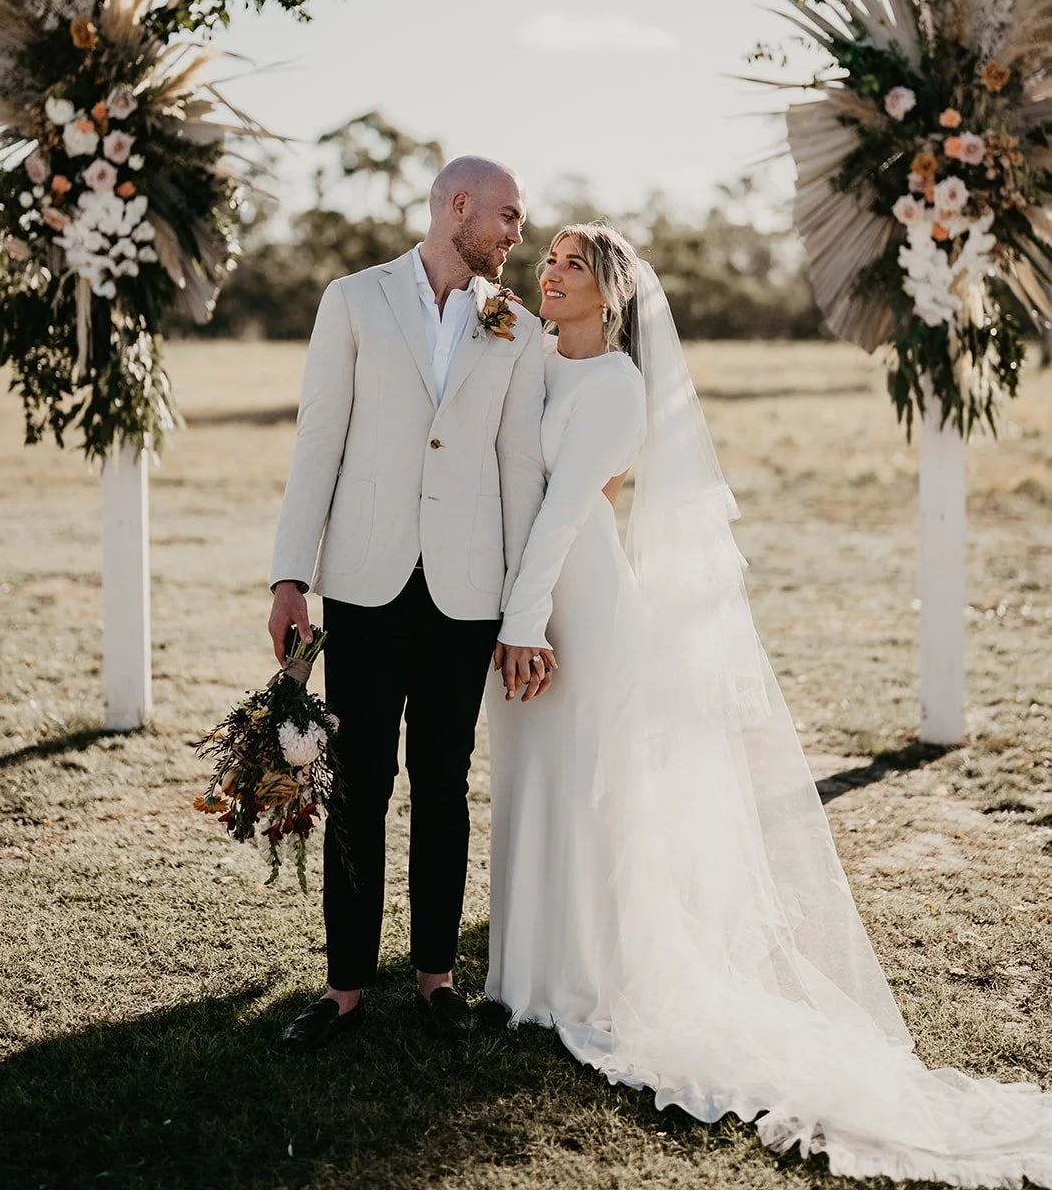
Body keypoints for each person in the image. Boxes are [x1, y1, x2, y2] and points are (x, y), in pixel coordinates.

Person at [487, 221, 1052, 1186]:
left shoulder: (619, 387)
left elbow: (569, 506)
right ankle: (522, 970)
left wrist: (524, 620)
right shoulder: (537, 356)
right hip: (529, 598)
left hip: (570, 600)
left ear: (612, 294)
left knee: (579, 783)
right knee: (531, 773)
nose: (549, 271)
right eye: (548, 258)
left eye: (571, 265)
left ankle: (569, 979)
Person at [269, 156, 550, 1049]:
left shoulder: (517, 325)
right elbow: (320, 438)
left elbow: (515, 466)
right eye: (506, 216)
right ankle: (345, 987)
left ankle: (434, 977)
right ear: (457, 207)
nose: (516, 234)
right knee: (358, 784)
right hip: (365, 581)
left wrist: (519, 612)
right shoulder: (353, 300)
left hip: (466, 592)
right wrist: (289, 577)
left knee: (441, 781)